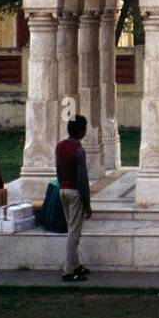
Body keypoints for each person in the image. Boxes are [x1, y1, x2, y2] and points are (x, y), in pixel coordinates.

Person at [55, 115, 92, 282]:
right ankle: (69, 271)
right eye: (84, 128)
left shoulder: (60, 146)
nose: (85, 131)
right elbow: (82, 180)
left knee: (72, 229)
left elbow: (58, 169)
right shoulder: (79, 150)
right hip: (75, 192)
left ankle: (76, 264)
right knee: (74, 233)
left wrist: (62, 184)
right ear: (80, 131)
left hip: (63, 189)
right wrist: (87, 203)